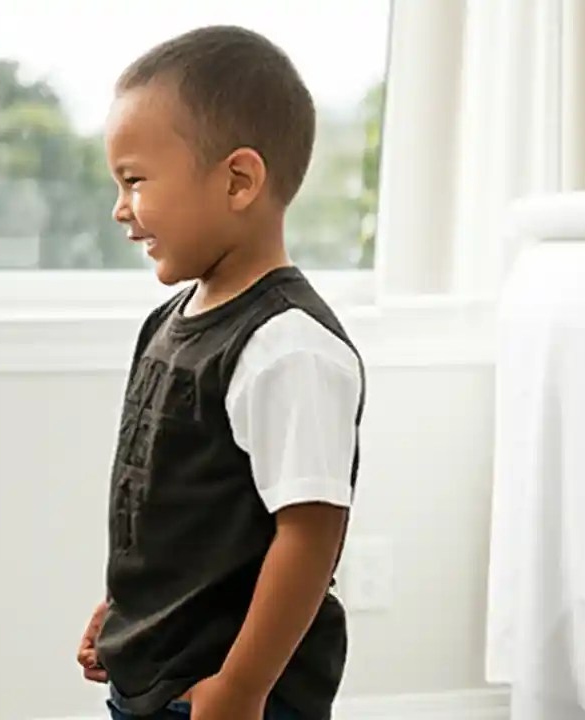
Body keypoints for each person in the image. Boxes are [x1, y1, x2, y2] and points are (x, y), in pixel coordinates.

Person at [74, 26, 366, 720]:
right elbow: (177, 513)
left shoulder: (288, 346)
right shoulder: (168, 323)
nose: (121, 209)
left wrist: (241, 688)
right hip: (156, 677)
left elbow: (311, 533)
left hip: (227, 695)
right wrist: (126, 613)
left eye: (135, 181)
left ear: (238, 180)